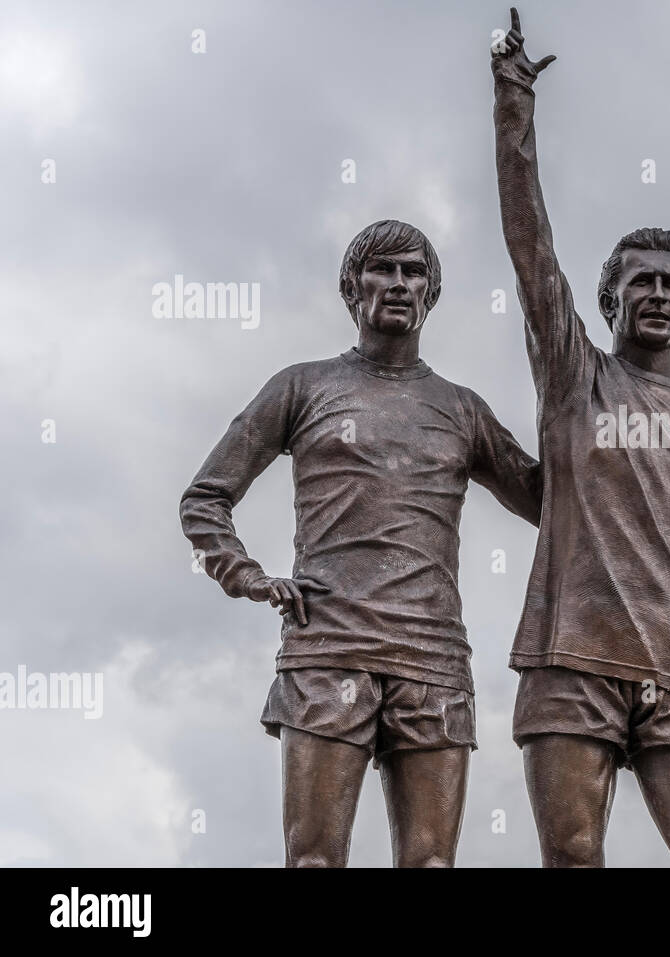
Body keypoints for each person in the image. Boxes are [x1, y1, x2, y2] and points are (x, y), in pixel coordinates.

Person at [490, 8, 670, 867]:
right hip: (571, 662)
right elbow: (529, 244)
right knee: (573, 860)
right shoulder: (574, 375)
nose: (655, 293)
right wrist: (514, 109)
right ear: (610, 299)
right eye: (638, 283)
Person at [180, 219, 542, 867]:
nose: (399, 283)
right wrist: (246, 574)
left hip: (431, 659)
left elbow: (551, 504)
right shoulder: (303, 386)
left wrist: (588, 415)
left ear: (431, 292)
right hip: (327, 649)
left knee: (430, 863)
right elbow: (205, 498)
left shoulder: (461, 409)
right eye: (384, 269)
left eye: (414, 272)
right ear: (352, 287)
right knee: (315, 859)